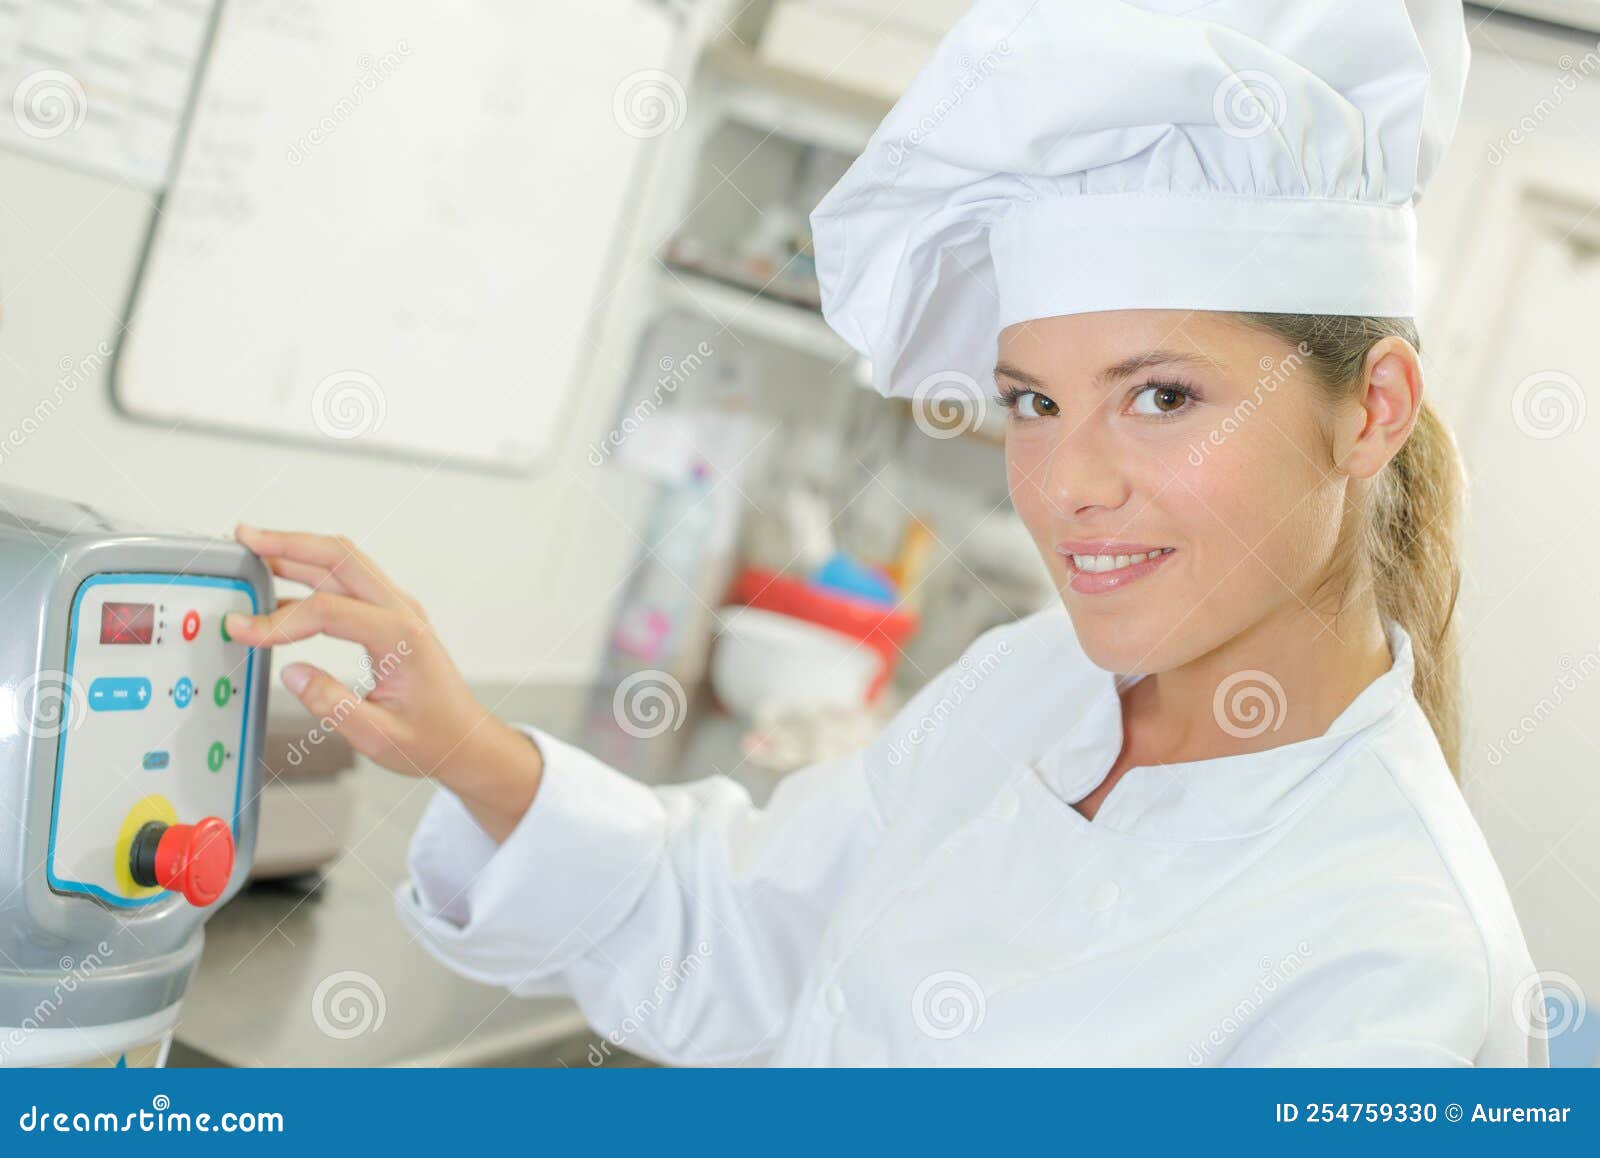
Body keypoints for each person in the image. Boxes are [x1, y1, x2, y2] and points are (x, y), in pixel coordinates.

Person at [224, 0, 1547, 1065]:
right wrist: (470, 748)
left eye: (1161, 394)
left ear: (1370, 409)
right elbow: (751, 934)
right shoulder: (1041, 680)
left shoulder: (1393, 970)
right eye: (1032, 400)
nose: (1067, 481)